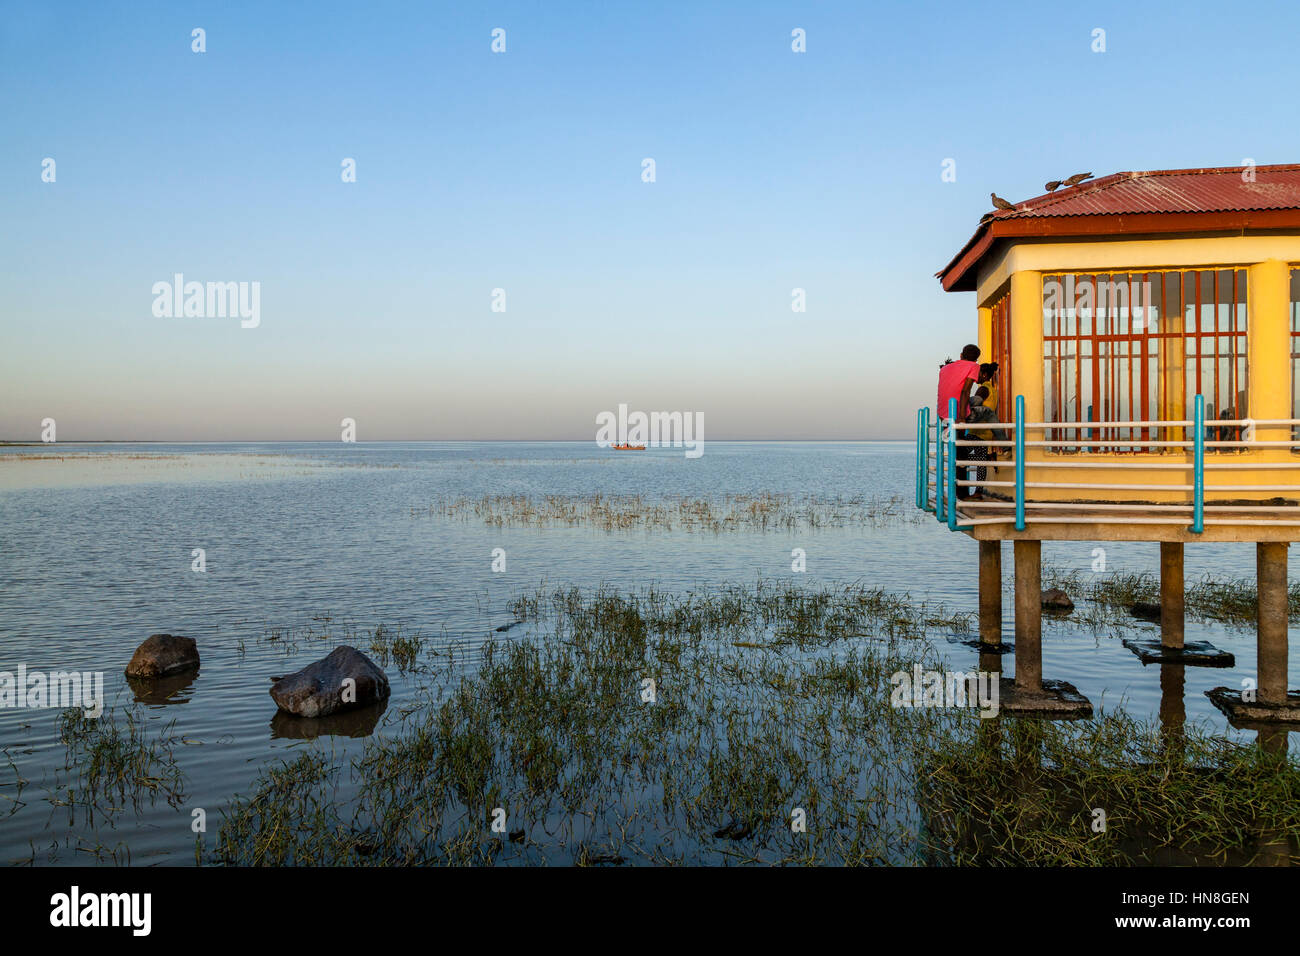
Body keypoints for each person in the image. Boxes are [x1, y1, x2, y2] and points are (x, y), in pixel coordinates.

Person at [937, 345, 981, 498]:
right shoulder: (974, 366)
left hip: (943, 413)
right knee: (961, 452)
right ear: (976, 359)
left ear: (961, 355)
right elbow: (965, 390)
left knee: (956, 450)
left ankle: (953, 492)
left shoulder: (945, 369)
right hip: (957, 413)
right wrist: (962, 417)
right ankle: (962, 495)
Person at [963, 363, 1002, 500]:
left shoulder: (983, 390)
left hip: (978, 430)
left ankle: (987, 458)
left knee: (960, 454)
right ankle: (978, 491)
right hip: (985, 431)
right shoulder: (992, 390)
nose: (975, 377)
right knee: (980, 462)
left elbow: (972, 405)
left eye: (978, 374)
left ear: (984, 375)